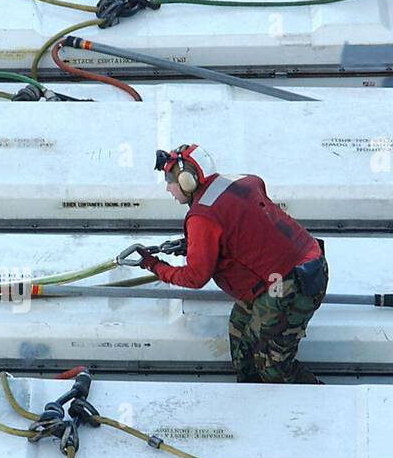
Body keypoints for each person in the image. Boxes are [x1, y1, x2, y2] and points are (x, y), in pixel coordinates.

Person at [134, 145, 328, 384]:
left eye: (170, 180)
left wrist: (155, 266)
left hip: (289, 285)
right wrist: (200, 244)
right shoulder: (243, 181)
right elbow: (244, 214)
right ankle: (251, 389)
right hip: (292, 271)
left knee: (273, 365)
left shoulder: (202, 218)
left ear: (188, 181)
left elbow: (195, 277)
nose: (168, 188)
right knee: (241, 337)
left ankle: (316, 401)